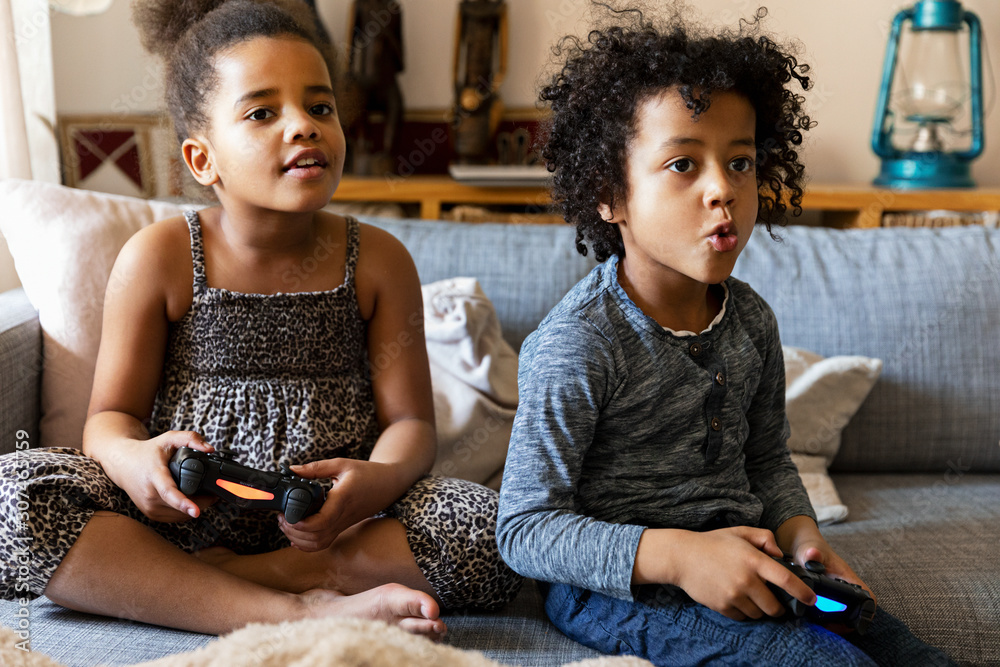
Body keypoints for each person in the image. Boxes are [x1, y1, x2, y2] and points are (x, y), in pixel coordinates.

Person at [0, 0, 520, 639]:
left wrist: (376, 480)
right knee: (14, 497)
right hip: (183, 522)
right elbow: (109, 421)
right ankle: (298, 608)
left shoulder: (379, 261)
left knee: (492, 533)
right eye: (262, 112)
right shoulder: (160, 258)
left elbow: (410, 423)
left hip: (330, 530)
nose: (302, 127)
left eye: (320, 107)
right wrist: (137, 463)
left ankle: (257, 582)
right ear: (201, 159)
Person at [495, 3, 955, 665]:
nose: (723, 190)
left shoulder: (750, 320)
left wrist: (802, 537)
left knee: (905, 649)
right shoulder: (580, 342)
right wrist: (678, 556)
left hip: (746, 554)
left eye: (740, 163)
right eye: (684, 165)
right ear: (610, 194)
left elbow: (767, 461)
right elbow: (526, 527)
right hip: (619, 588)